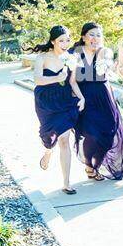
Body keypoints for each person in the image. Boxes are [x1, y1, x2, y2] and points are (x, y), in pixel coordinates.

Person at [32, 26, 85, 195]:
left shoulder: (71, 58)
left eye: (67, 40)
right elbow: (37, 80)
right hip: (45, 101)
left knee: (64, 140)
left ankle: (66, 183)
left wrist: (82, 98)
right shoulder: (42, 57)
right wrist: (56, 78)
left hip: (64, 101)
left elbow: (72, 82)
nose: (65, 43)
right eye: (61, 40)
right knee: (48, 135)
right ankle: (48, 150)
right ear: (53, 41)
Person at [73, 23, 123, 181]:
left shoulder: (104, 52)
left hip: (104, 97)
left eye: (98, 35)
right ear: (83, 37)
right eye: (91, 34)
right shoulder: (75, 54)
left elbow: (107, 65)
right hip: (85, 97)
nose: (95, 38)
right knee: (91, 134)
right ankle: (90, 166)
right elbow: (71, 79)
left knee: (109, 133)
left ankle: (96, 165)